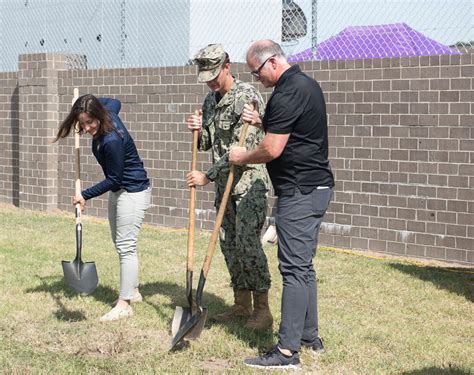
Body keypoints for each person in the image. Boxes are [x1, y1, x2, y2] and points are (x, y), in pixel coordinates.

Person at [229, 39, 335, 369]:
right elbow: (293, 130)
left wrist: (243, 155)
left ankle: (287, 351)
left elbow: (273, 149)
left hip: (300, 192)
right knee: (303, 267)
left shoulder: (288, 92)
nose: (256, 78)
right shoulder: (305, 85)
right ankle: (309, 337)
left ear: (272, 62)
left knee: (293, 268)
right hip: (313, 187)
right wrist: (263, 121)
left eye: (256, 71)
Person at [186, 43, 273, 330]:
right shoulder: (211, 100)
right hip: (224, 185)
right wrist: (198, 131)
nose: (210, 81)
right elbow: (209, 143)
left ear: (227, 67)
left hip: (248, 185)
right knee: (229, 246)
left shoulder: (246, 96)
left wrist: (207, 175)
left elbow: (241, 148)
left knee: (249, 245)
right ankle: (240, 304)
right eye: (205, 75)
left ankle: (262, 310)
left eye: (214, 74)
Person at [54, 94, 151, 322]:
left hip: (132, 191)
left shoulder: (111, 140)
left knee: (126, 246)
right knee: (120, 243)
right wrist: (86, 102)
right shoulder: (109, 111)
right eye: (83, 123)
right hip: (121, 191)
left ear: (99, 116)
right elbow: (116, 101)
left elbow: (114, 179)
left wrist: (84, 195)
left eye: (91, 122)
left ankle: (124, 304)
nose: (87, 128)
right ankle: (133, 291)